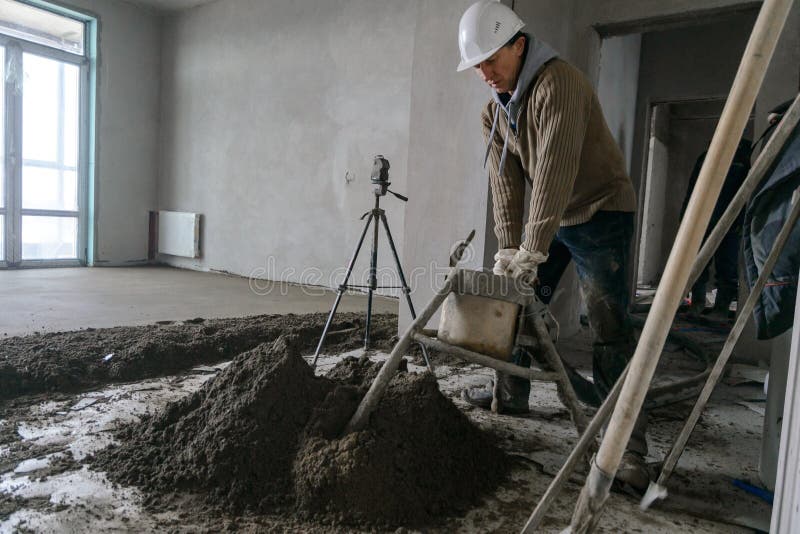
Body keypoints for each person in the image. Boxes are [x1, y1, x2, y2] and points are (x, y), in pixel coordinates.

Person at [456, 0, 648, 490]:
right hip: (553, 212)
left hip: (600, 210)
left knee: (608, 323)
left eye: (492, 62)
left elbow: (553, 173)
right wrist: (508, 251)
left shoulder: (559, 83)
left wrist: (532, 251)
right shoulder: (493, 112)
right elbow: (508, 187)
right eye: (478, 67)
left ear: (519, 46)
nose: (486, 74)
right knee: (516, 307)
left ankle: (623, 443)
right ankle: (511, 391)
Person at [683, 139, 752, 317]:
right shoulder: (705, 158)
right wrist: (685, 219)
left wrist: (741, 221)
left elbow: (746, 194)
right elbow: (692, 190)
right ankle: (697, 304)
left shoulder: (743, 159)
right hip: (702, 220)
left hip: (729, 222)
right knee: (698, 264)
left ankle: (721, 308)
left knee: (726, 267)